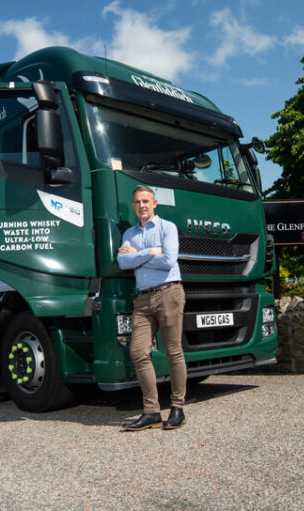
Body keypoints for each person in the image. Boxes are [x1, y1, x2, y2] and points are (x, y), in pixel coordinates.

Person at [117, 185, 187, 431]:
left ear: (154, 203)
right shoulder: (129, 233)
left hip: (169, 293)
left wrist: (138, 254)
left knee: (173, 352)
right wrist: (150, 252)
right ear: (133, 206)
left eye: (146, 201)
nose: (142, 206)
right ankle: (152, 412)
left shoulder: (168, 228)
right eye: (137, 202)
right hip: (143, 299)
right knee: (138, 352)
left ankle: (177, 408)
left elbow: (169, 259)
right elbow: (123, 262)